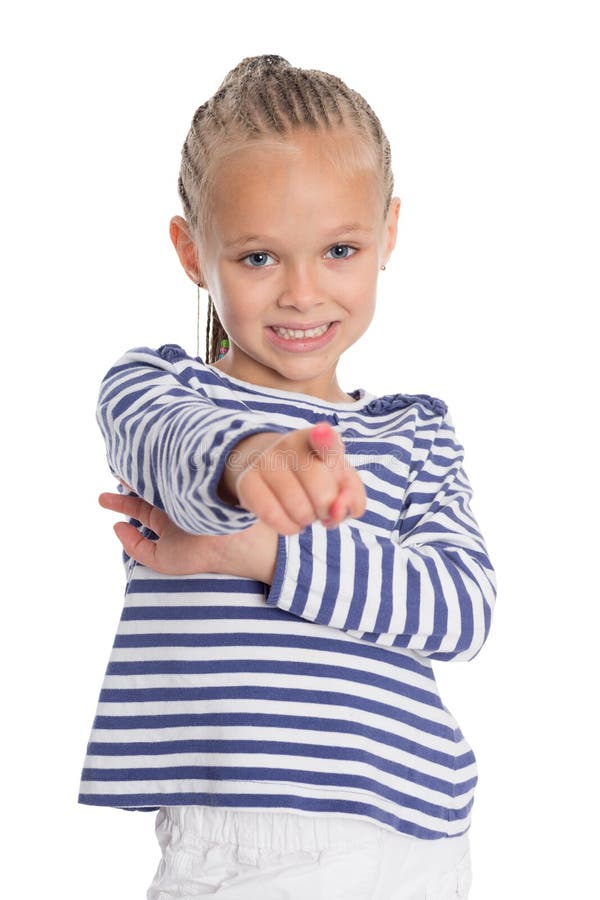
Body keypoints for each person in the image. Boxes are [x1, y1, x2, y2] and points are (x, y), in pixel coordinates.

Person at [78, 54, 496, 899]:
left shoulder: (415, 431)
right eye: (259, 258)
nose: (303, 294)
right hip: (252, 843)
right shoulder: (161, 390)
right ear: (192, 252)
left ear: (389, 235)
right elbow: (174, 449)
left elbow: (461, 610)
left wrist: (264, 555)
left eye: (340, 249)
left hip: (421, 837)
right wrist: (249, 462)